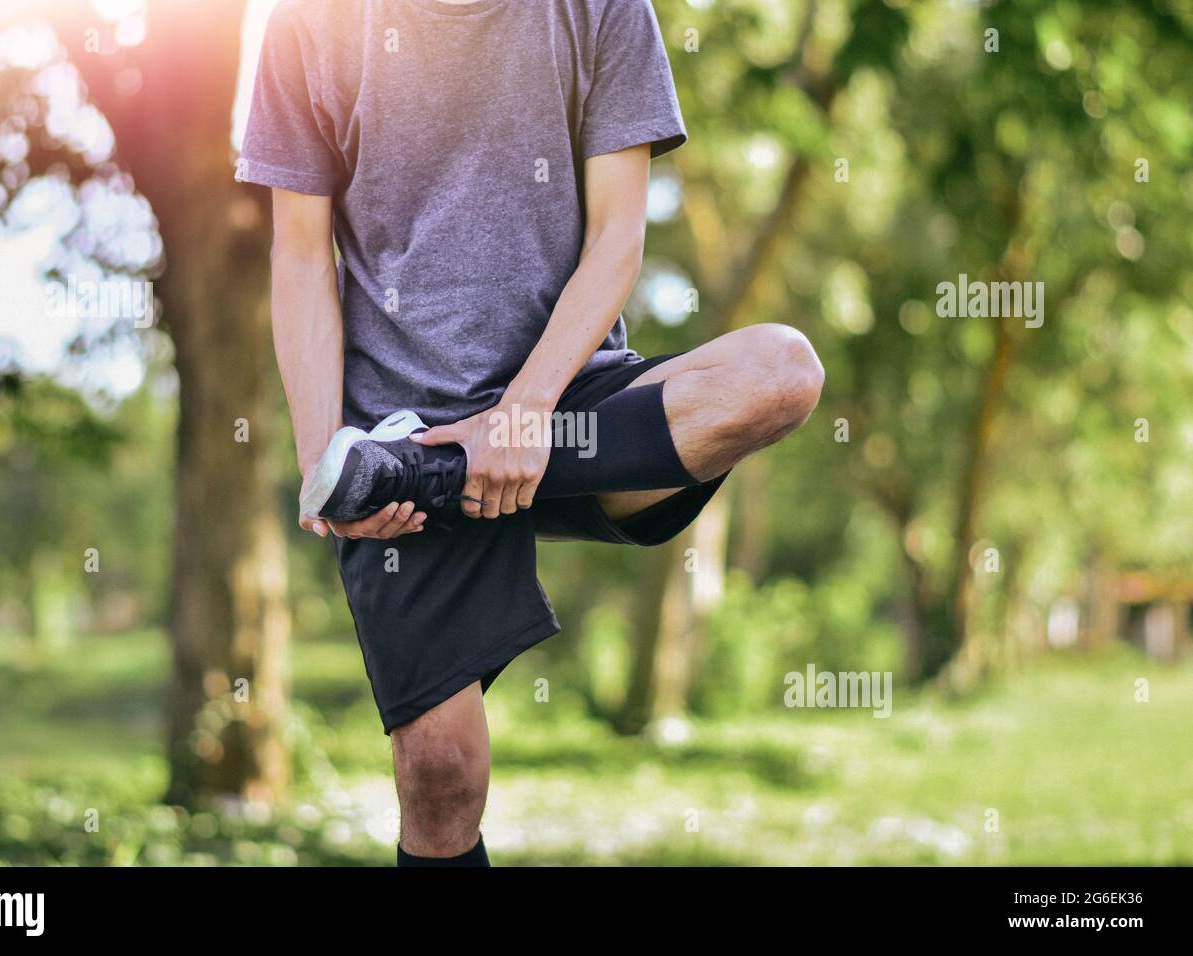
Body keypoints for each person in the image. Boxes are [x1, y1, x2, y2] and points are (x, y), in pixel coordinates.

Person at [240, 0, 823, 867]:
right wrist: (330, 466)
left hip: (565, 404)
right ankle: (417, 471)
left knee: (782, 373)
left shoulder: (603, 9)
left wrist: (522, 411)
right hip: (401, 428)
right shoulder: (310, 24)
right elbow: (297, 258)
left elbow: (617, 234)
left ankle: (445, 475)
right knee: (442, 780)